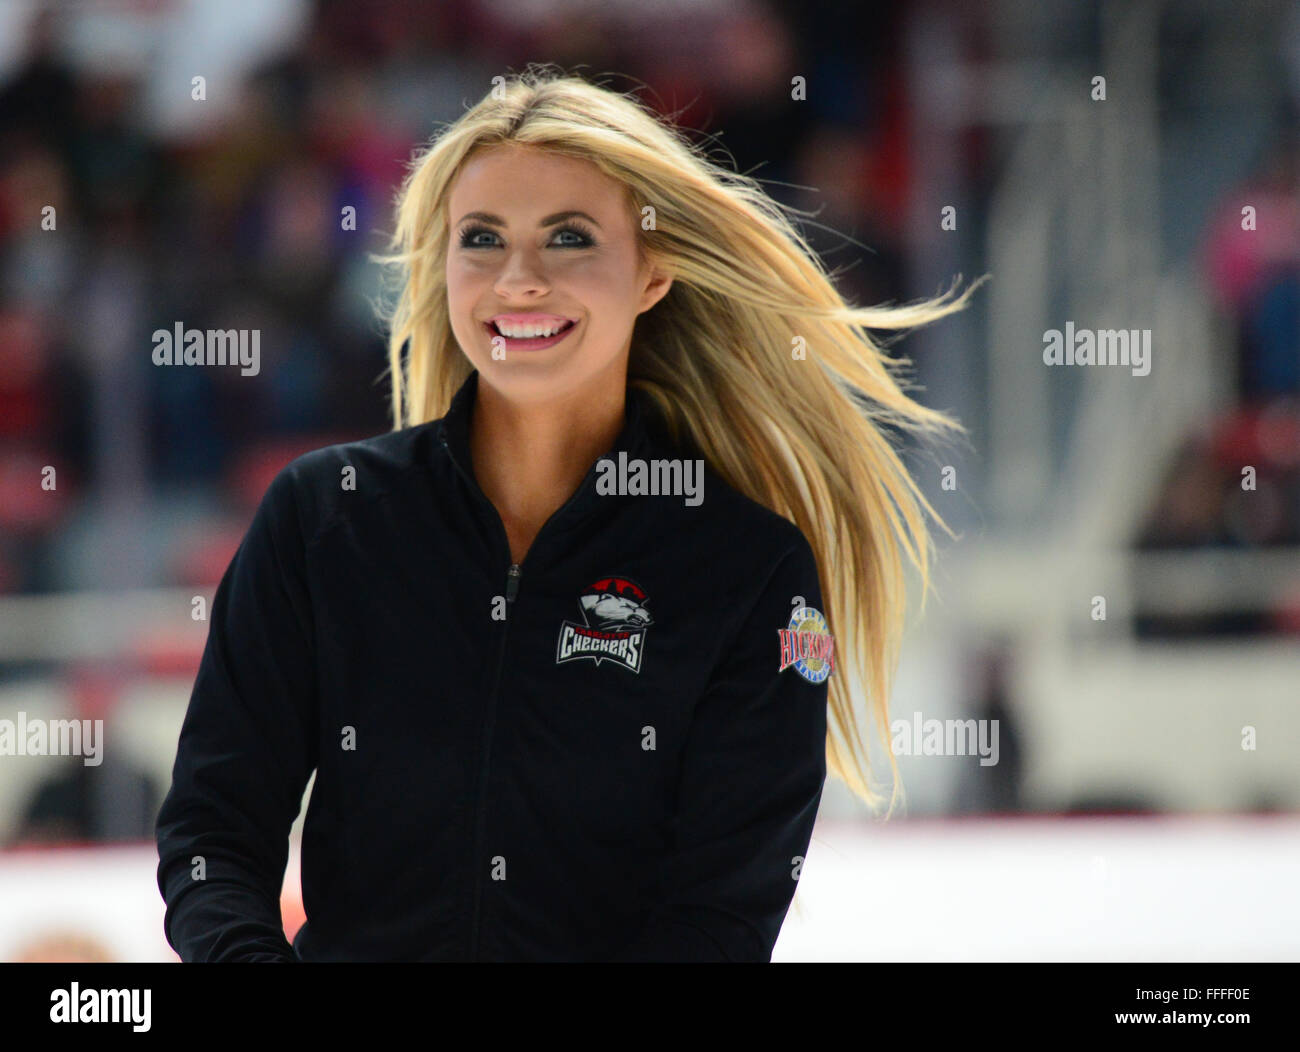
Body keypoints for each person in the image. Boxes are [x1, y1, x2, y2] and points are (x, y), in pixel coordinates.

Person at [155, 67, 981, 962]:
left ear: (654, 270)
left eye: (570, 238)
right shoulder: (323, 521)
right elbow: (212, 837)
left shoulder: (749, 572)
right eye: (482, 239)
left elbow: (718, 923)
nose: (519, 281)